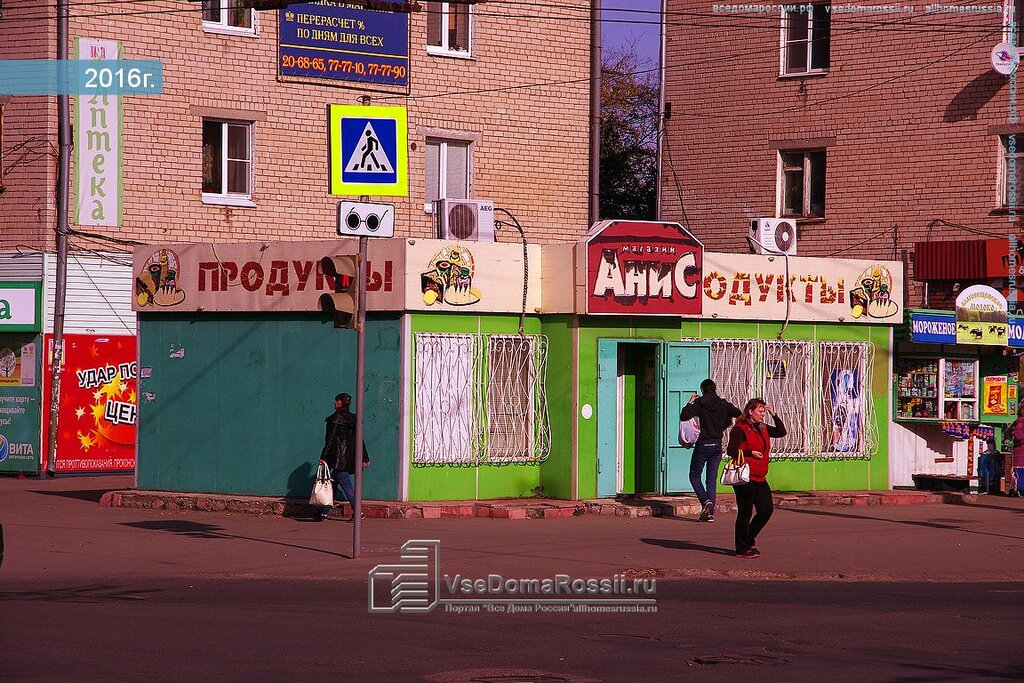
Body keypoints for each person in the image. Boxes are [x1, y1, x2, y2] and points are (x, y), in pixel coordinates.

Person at [726, 398, 787, 559]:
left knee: (766, 509)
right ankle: (741, 548)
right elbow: (731, 451)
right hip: (745, 476)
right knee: (745, 512)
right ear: (750, 412)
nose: (763, 414)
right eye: (760, 411)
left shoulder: (763, 427)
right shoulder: (740, 429)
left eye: (764, 411)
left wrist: (774, 414)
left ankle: (748, 538)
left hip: (760, 476)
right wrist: (749, 453)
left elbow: (781, 432)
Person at [679, 379, 741, 522]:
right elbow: (738, 413)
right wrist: (725, 423)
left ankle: (706, 501)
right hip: (717, 445)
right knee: (711, 479)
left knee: (694, 476)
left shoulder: (700, 403)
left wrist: (690, 402)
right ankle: (710, 513)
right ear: (715, 388)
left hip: (703, 445)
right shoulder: (723, 404)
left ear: (702, 389)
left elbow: (684, 415)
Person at [315, 392, 370, 521]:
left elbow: (330, 440)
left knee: (347, 487)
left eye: (336, 401)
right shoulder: (353, 419)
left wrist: (323, 457)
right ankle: (324, 512)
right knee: (333, 483)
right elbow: (360, 440)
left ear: (340, 403)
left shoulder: (334, 419)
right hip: (350, 458)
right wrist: (365, 457)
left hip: (339, 460)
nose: (335, 403)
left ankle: (358, 513)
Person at [1011, 406, 1024, 497]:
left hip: (1020, 449)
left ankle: (1020, 489)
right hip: (1020, 450)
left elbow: (1016, 433)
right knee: (1020, 471)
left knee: (1020, 471)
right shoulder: (1020, 421)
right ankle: (1020, 489)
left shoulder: (1019, 421)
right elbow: (1017, 434)